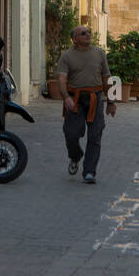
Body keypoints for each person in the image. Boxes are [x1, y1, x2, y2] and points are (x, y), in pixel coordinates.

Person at [57, 26, 116, 184]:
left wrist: (111, 101)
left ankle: (89, 171)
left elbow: (107, 77)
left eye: (89, 32)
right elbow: (62, 79)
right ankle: (75, 156)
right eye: (83, 33)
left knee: (95, 135)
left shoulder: (99, 53)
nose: (88, 35)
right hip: (75, 99)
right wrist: (65, 97)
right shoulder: (67, 56)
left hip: (95, 98)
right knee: (71, 133)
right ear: (74, 39)